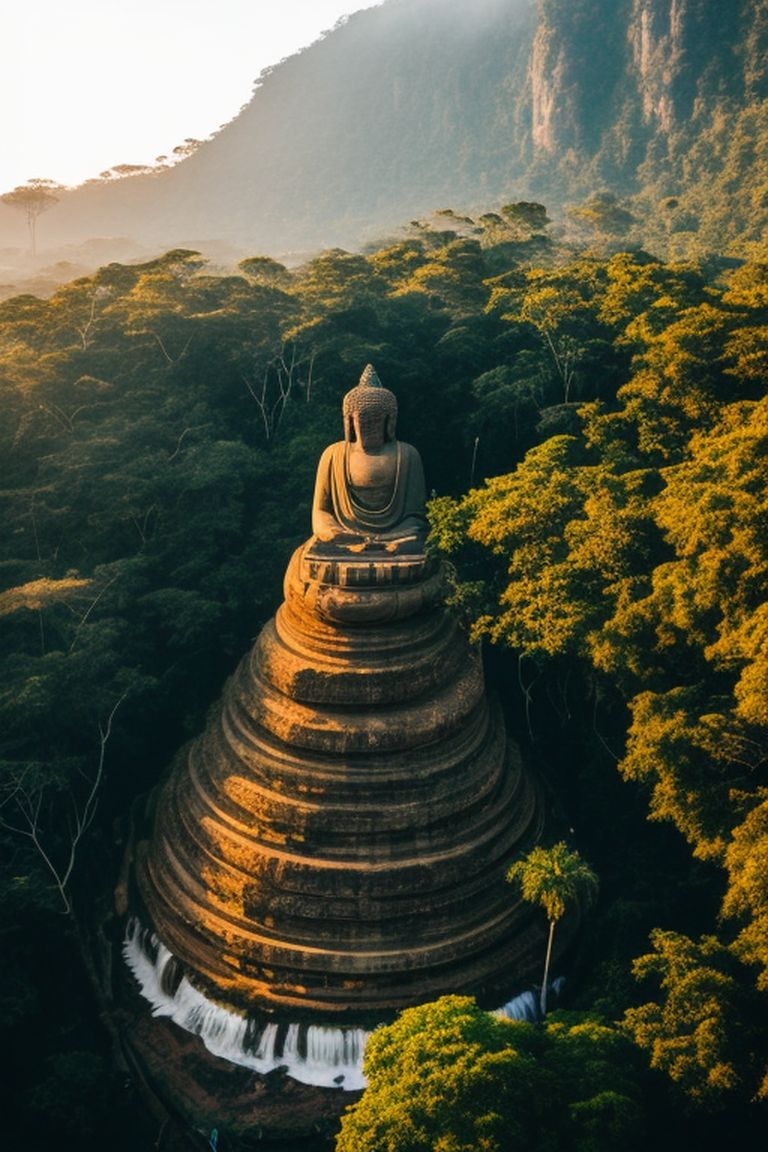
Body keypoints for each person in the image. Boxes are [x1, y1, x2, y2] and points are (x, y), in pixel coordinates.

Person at [311, 365, 427, 555]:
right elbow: (320, 512)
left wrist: (401, 533)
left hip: (397, 535)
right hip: (346, 535)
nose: (369, 428)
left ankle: (384, 546)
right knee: (316, 549)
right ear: (349, 421)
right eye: (362, 421)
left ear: (389, 422)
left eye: (375, 421)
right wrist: (334, 532)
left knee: (415, 538)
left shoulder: (407, 455)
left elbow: (416, 516)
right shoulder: (333, 455)